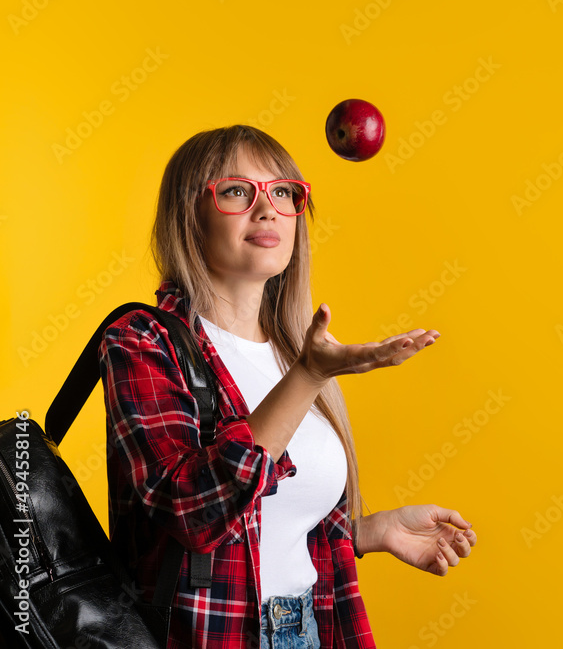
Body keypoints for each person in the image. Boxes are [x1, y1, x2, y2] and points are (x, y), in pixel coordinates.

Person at [98, 125, 477, 649]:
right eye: (236, 191)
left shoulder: (290, 349)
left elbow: (269, 528)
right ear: (189, 216)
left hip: (308, 629)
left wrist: (369, 530)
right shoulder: (145, 340)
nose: (268, 208)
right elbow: (189, 511)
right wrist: (310, 376)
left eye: (283, 192)